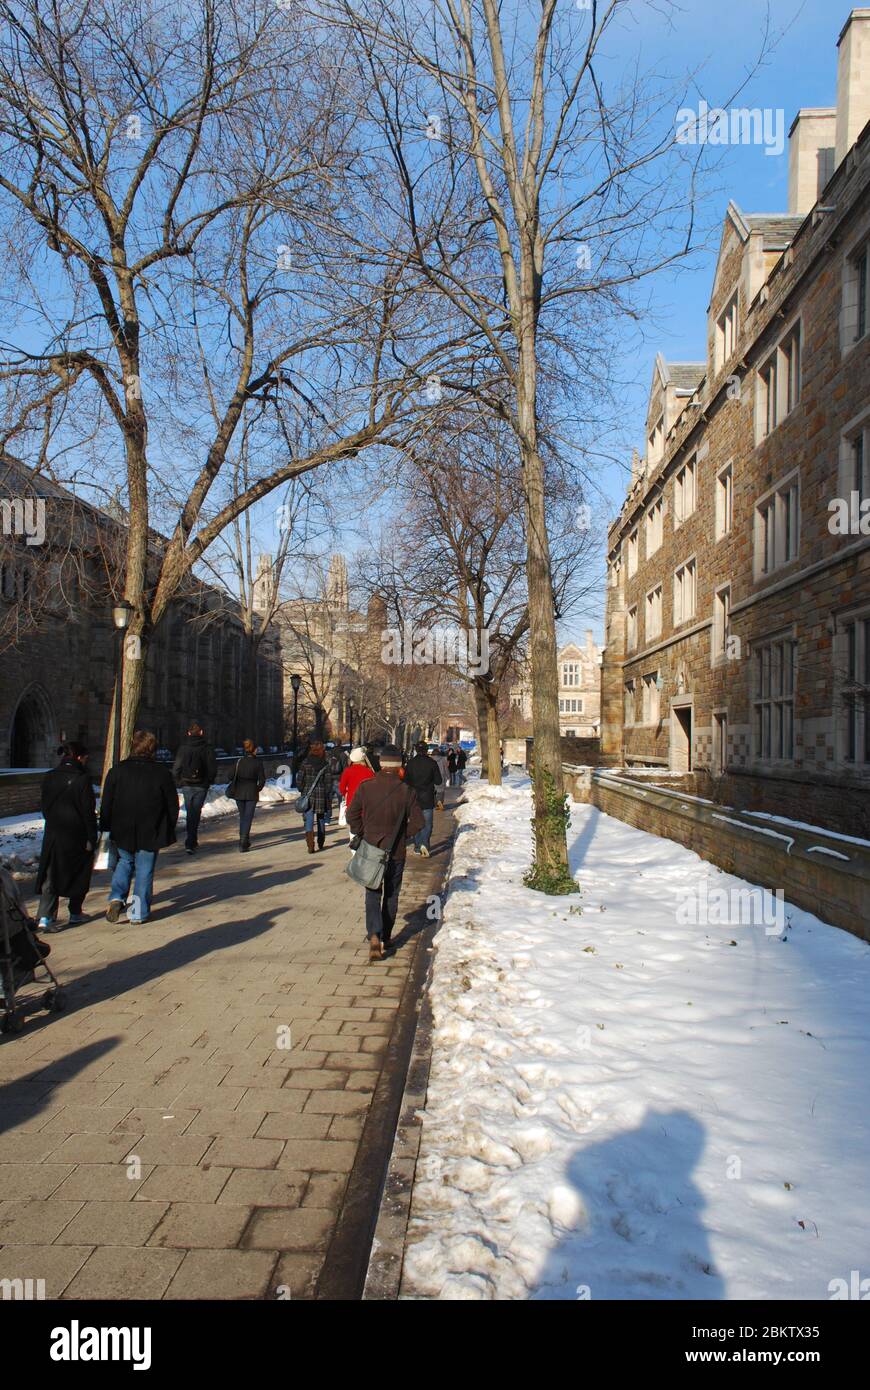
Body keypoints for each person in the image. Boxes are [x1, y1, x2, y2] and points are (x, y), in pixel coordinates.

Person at [346, 743, 423, 962]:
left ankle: (373, 935)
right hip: (396, 852)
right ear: (399, 766)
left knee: (372, 893)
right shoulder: (407, 791)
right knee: (391, 893)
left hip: (371, 849)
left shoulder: (366, 786)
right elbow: (419, 822)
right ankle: (387, 936)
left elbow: (352, 815)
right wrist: (403, 836)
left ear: (381, 764)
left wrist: (361, 832)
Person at [100, 729, 179, 924]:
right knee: (144, 869)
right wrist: (169, 825)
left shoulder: (117, 771)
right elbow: (172, 804)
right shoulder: (161, 773)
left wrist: (105, 825)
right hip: (150, 829)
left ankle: (117, 896)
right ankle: (137, 912)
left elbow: (107, 802)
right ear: (152, 749)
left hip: (123, 827)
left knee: (124, 862)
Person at [34, 742, 98, 933]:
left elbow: (45, 806)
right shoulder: (82, 779)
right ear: (79, 758)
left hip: (54, 832)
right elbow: (88, 811)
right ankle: (75, 912)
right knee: (79, 873)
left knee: (51, 874)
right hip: (77, 833)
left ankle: (45, 916)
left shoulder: (50, 776)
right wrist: (91, 836)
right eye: (86, 758)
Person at [172, 721, 216, 854]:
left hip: (186, 783)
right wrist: (209, 780)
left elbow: (176, 768)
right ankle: (191, 840)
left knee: (190, 810)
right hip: (201, 785)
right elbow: (212, 767)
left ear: (188, 733)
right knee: (195, 812)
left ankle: (191, 840)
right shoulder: (207, 748)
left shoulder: (183, 748)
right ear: (201, 733)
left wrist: (179, 781)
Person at [402, 741, 441, 857]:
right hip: (428, 797)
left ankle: (417, 845)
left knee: (415, 822)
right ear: (426, 749)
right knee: (427, 823)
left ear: (416, 750)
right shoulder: (432, 763)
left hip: (413, 798)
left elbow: (405, 781)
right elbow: (439, 781)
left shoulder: (410, 763)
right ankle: (425, 843)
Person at [226, 739, 266, 852]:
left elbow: (229, 776)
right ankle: (243, 841)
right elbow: (262, 780)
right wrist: (258, 788)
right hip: (251, 792)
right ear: (254, 750)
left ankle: (243, 839)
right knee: (248, 817)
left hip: (239, 791)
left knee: (243, 817)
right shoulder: (257, 763)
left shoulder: (239, 761)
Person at [296, 740, 332, 852]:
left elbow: (299, 780)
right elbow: (328, 782)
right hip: (321, 794)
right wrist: (326, 794)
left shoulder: (305, 763)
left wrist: (302, 790)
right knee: (321, 818)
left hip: (308, 794)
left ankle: (310, 845)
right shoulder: (325, 764)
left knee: (309, 819)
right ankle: (321, 841)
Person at [338, 747, 376, 843]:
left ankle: (354, 848)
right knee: (365, 827)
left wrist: (345, 793)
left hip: (352, 803)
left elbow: (341, 788)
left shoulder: (347, 771)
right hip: (367, 804)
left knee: (354, 827)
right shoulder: (369, 772)